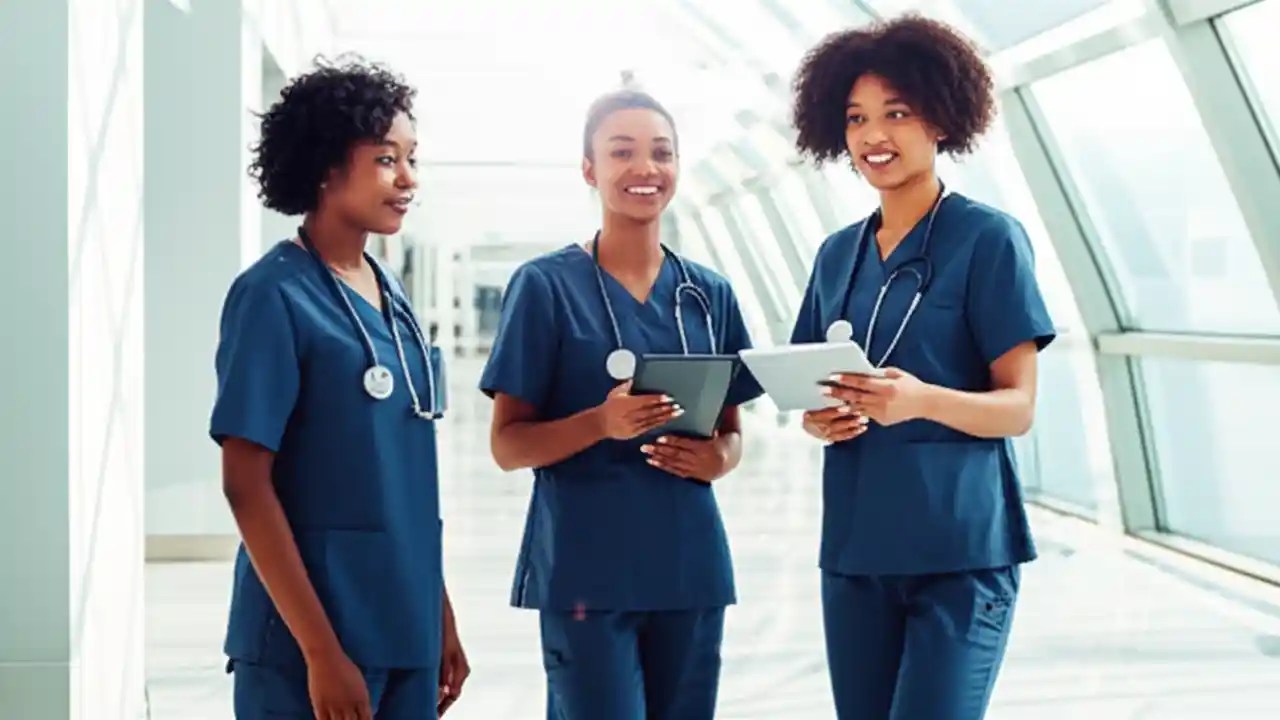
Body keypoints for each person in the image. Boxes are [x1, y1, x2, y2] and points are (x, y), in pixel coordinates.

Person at [788, 15, 1055, 720]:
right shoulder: (836, 255)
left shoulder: (988, 240)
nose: (875, 136)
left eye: (896, 113)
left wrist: (921, 400)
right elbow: (812, 382)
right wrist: (822, 418)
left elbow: (1018, 407)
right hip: (856, 552)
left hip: (960, 554)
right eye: (856, 119)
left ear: (940, 118)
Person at [478, 88, 764, 720]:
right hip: (587, 570)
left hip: (689, 568)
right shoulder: (545, 287)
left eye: (661, 152)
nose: (645, 169)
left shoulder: (707, 293)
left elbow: (732, 431)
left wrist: (719, 459)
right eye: (622, 152)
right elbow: (508, 446)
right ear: (590, 170)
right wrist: (600, 423)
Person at [210, 57, 469, 719]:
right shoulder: (272, 296)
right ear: (327, 166)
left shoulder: (393, 296)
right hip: (308, 644)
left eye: (413, 158)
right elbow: (245, 482)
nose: (409, 179)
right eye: (387, 160)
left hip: (403, 627)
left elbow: (405, 483)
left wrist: (437, 614)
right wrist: (322, 653)